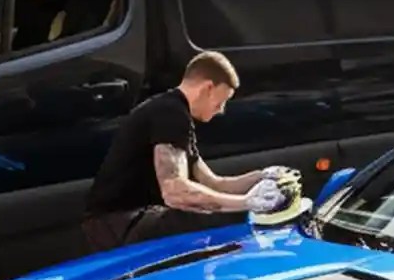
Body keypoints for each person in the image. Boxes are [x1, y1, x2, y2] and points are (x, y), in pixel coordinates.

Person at [81, 51, 296, 252]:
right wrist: (246, 203)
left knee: (225, 211)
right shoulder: (170, 114)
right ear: (207, 88)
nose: (221, 110)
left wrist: (262, 176)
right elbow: (175, 191)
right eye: (222, 101)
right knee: (226, 220)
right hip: (117, 223)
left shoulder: (173, 114)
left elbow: (214, 183)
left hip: (121, 221)